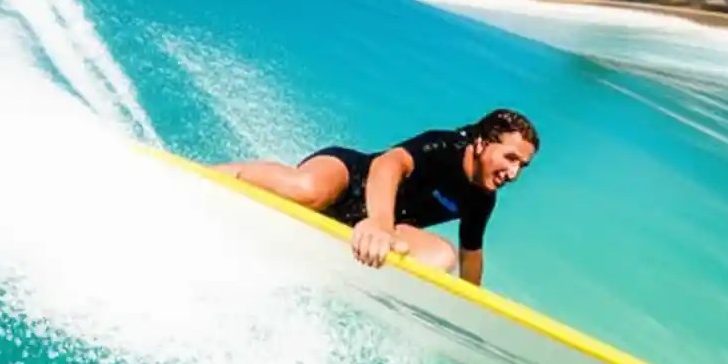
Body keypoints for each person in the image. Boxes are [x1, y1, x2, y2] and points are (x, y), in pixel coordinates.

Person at [212, 108, 539, 287]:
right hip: (349, 180)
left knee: (442, 257)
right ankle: (225, 173)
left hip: (385, 226)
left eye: (522, 165)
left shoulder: (482, 197)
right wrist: (380, 222)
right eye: (510, 158)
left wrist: (470, 306)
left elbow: (471, 255)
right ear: (482, 144)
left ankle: (356, 270)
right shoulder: (445, 146)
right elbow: (388, 164)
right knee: (305, 191)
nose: (513, 173)